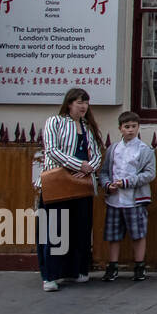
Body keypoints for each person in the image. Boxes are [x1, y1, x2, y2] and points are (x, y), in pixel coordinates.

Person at [39, 87, 104, 292]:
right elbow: (52, 150)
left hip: (82, 184)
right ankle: (51, 274)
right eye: (79, 102)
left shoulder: (87, 126)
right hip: (58, 183)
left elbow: (97, 153)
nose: (83, 106)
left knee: (80, 228)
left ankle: (77, 270)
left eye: (86, 102)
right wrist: (78, 165)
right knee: (54, 229)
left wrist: (89, 168)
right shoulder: (55, 122)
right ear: (69, 104)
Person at [97, 111, 156, 283]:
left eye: (133, 127)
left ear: (138, 127)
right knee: (113, 234)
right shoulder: (113, 149)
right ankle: (112, 266)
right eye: (126, 127)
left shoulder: (144, 150)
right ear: (120, 128)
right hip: (115, 199)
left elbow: (149, 174)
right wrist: (108, 185)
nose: (130, 130)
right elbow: (105, 172)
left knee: (138, 234)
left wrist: (127, 182)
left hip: (134, 199)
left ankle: (139, 266)